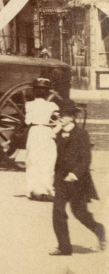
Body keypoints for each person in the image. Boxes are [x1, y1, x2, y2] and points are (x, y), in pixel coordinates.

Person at [49, 104, 104, 256]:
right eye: (60, 114)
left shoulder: (81, 134)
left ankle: (99, 230)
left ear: (72, 117)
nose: (61, 117)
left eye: (64, 115)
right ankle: (64, 247)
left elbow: (86, 159)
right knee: (57, 211)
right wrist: (55, 133)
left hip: (78, 180)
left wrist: (74, 174)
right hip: (61, 177)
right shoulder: (59, 133)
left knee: (79, 213)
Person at [24, 78, 61, 200]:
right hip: (47, 132)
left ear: (34, 92)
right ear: (47, 93)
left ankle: (32, 190)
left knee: (33, 161)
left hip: (34, 132)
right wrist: (54, 132)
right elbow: (58, 122)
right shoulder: (53, 105)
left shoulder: (29, 105)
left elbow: (27, 121)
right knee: (47, 161)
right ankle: (46, 189)